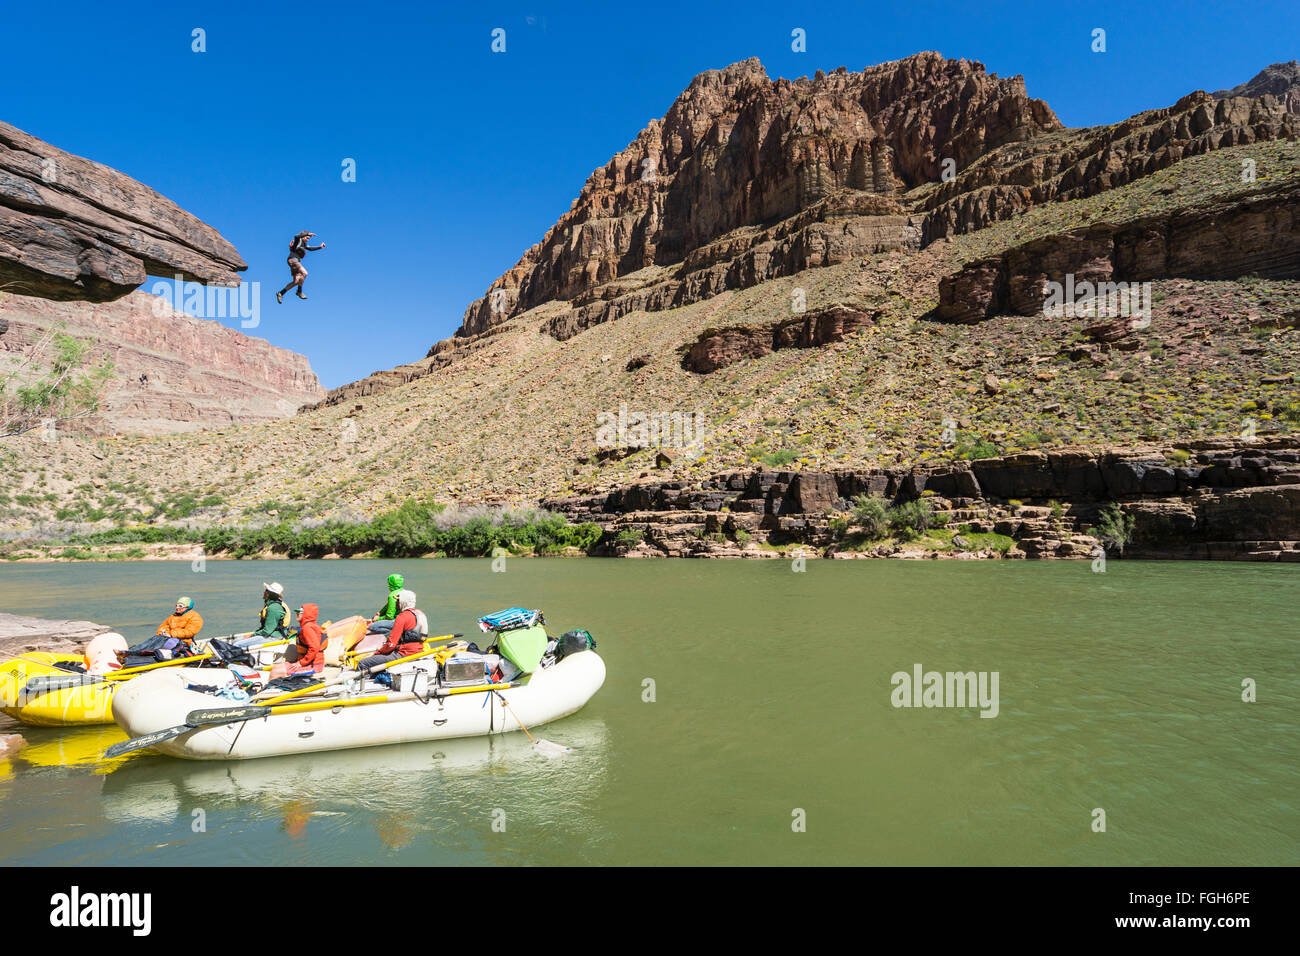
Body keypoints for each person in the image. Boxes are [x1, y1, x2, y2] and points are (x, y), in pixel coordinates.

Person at [356, 590, 427, 672]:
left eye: (397, 600)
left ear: (403, 602)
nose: (396, 603)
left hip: (404, 654)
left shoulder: (402, 617)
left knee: (363, 663)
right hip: (418, 651)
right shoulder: (420, 614)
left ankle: (358, 683)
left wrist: (378, 652)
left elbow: (391, 645)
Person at [237, 582, 293, 647]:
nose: (264, 592)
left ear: (269, 594)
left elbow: (267, 631)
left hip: (274, 638)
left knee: (237, 644)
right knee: (237, 640)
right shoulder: (274, 605)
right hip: (271, 635)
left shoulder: (274, 608)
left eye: (266, 590)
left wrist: (252, 635)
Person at [276, 231, 325, 303]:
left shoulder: (304, 244)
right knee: (305, 273)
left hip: (296, 262)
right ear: (303, 236)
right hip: (293, 260)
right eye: (307, 238)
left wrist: (320, 247)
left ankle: (281, 293)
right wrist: (307, 234)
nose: (308, 239)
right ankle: (299, 291)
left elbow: (310, 248)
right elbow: (296, 236)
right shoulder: (298, 240)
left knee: (296, 281)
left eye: (309, 238)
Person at [279, 603, 326, 675]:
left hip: (313, 665)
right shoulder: (312, 625)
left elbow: (314, 647)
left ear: (306, 615)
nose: (297, 613)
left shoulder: (307, 628)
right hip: (314, 664)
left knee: (276, 671)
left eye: (300, 613)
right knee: (279, 668)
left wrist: (301, 663)